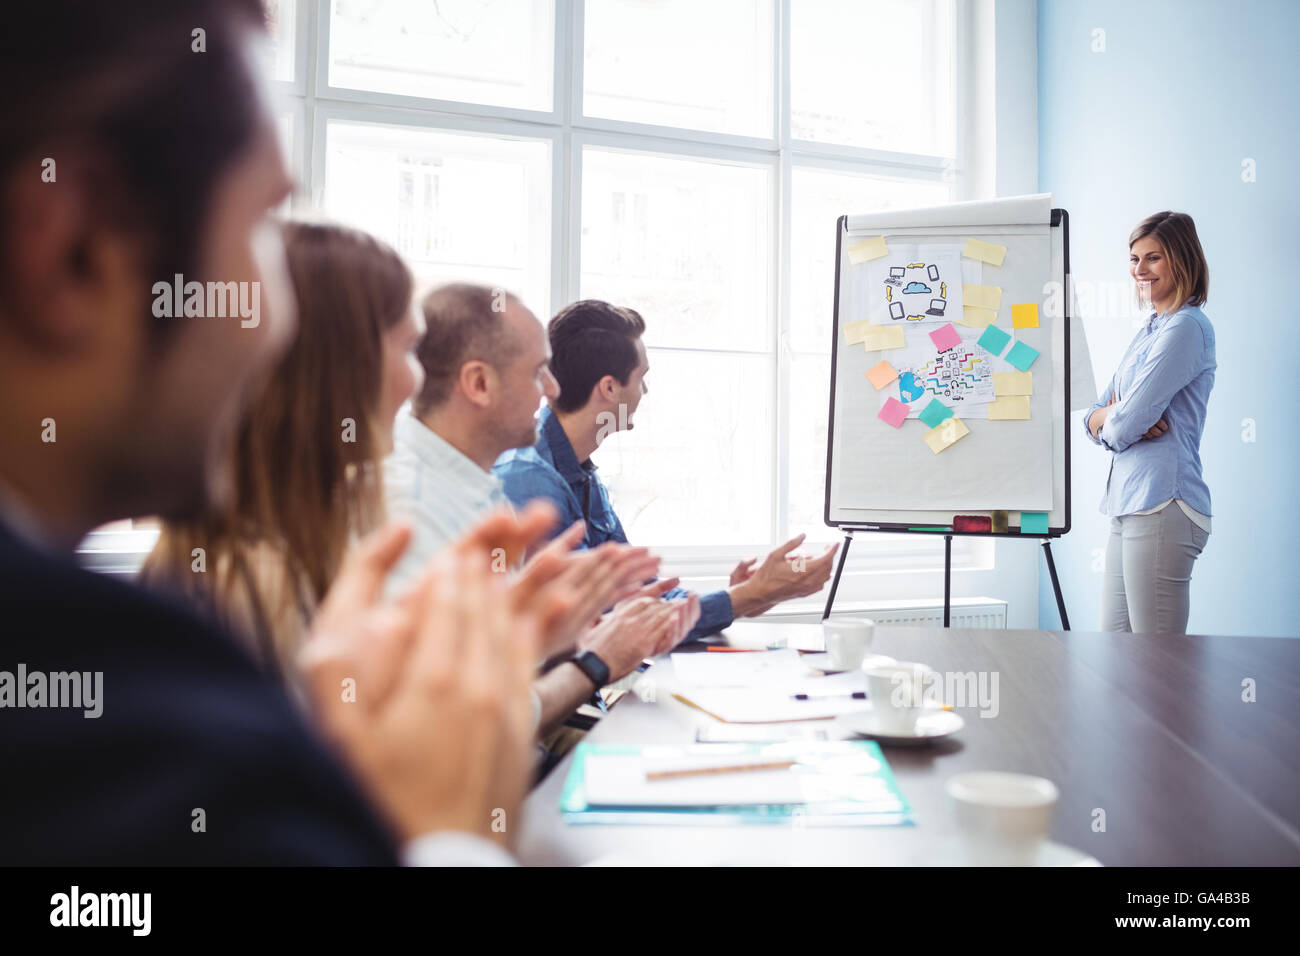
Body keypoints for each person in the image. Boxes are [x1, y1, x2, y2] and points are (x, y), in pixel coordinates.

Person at [0, 0, 539, 864]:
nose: (271, 325)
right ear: (75, 248)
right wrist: (441, 834)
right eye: (258, 225)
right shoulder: (132, 703)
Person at [384, 283, 700, 734]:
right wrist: (596, 660)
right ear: (479, 384)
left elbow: (502, 668)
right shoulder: (414, 510)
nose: (552, 389)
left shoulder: (481, 487)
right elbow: (477, 727)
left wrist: (571, 633)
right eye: (537, 373)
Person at [494, 299, 838, 639]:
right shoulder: (530, 479)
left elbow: (643, 594)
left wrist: (748, 595)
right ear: (610, 388)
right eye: (641, 378)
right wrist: (749, 596)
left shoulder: (582, 474)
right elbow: (610, 619)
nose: (645, 391)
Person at [1084, 211, 1215, 634]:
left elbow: (1122, 426)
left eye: (1153, 258)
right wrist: (1113, 416)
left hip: (1163, 503)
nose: (1140, 270)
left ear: (1182, 260)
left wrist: (1120, 419)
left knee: (1159, 668)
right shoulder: (1149, 330)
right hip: (1127, 504)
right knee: (1117, 656)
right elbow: (1095, 414)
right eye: (1134, 258)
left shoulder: (1186, 329)